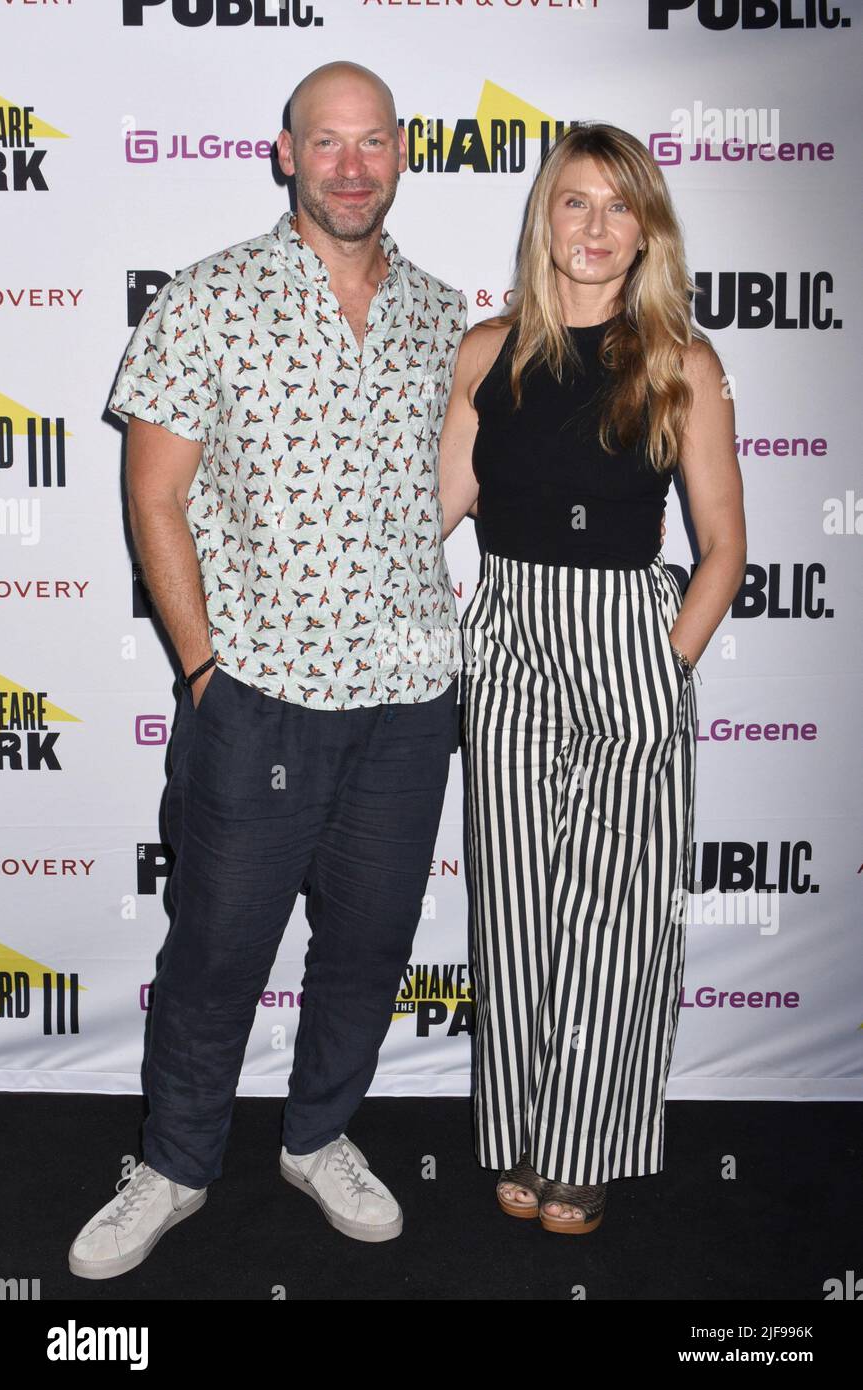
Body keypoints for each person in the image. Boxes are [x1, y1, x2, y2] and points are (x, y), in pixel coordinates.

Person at [69, 61, 467, 1279]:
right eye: (326, 142)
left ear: (403, 155)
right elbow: (154, 498)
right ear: (284, 154)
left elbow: (443, 492)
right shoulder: (207, 300)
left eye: (374, 142)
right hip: (256, 704)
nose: (352, 165)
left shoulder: (445, 316)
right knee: (214, 951)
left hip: (406, 700)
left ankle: (320, 1136)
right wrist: (205, 674)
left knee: (366, 946)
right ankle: (177, 1162)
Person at [439, 122, 746, 1234]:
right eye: (575, 202)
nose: (596, 227)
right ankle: (522, 1132)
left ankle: (584, 1148)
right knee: (515, 907)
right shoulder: (486, 352)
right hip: (509, 633)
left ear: (645, 227)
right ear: (543, 216)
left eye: (619, 206)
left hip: (627, 632)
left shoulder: (679, 361)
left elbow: (722, 547)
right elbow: (437, 513)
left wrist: (656, 668)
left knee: (613, 917)